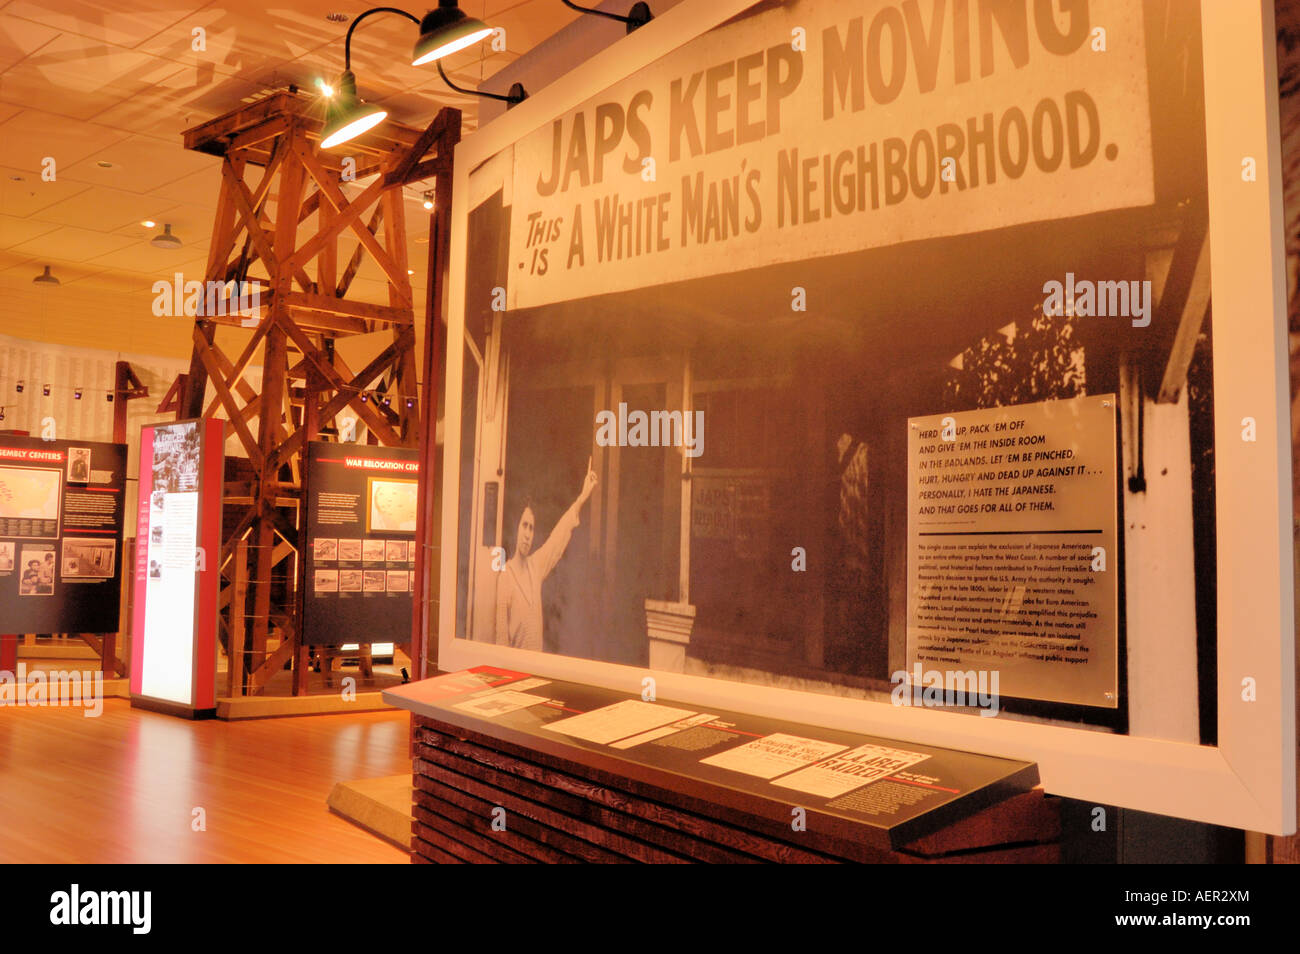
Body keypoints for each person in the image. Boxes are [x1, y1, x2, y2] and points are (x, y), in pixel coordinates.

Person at [495, 460, 597, 652]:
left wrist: (582, 497)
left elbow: (558, 537)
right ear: (515, 528)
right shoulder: (505, 578)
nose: (527, 534)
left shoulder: (535, 567)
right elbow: (501, 641)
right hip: (515, 671)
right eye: (524, 526)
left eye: (531, 528)